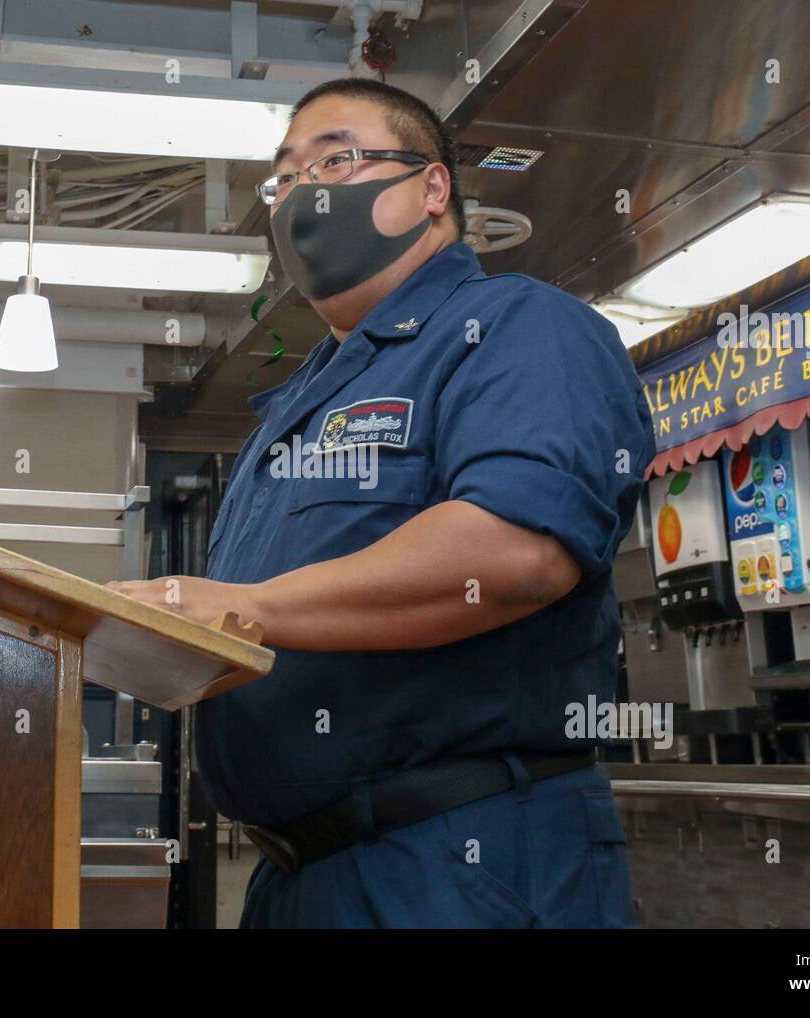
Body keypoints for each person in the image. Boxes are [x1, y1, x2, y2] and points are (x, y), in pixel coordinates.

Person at [109, 77, 655, 928]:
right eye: (284, 178)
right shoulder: (298, 405)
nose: (302, 193)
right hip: (299, 876)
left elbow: (514, 555)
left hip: (453, 864)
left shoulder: (521, 326)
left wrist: (248, 608)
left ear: (431, 187)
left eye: (336, 161)